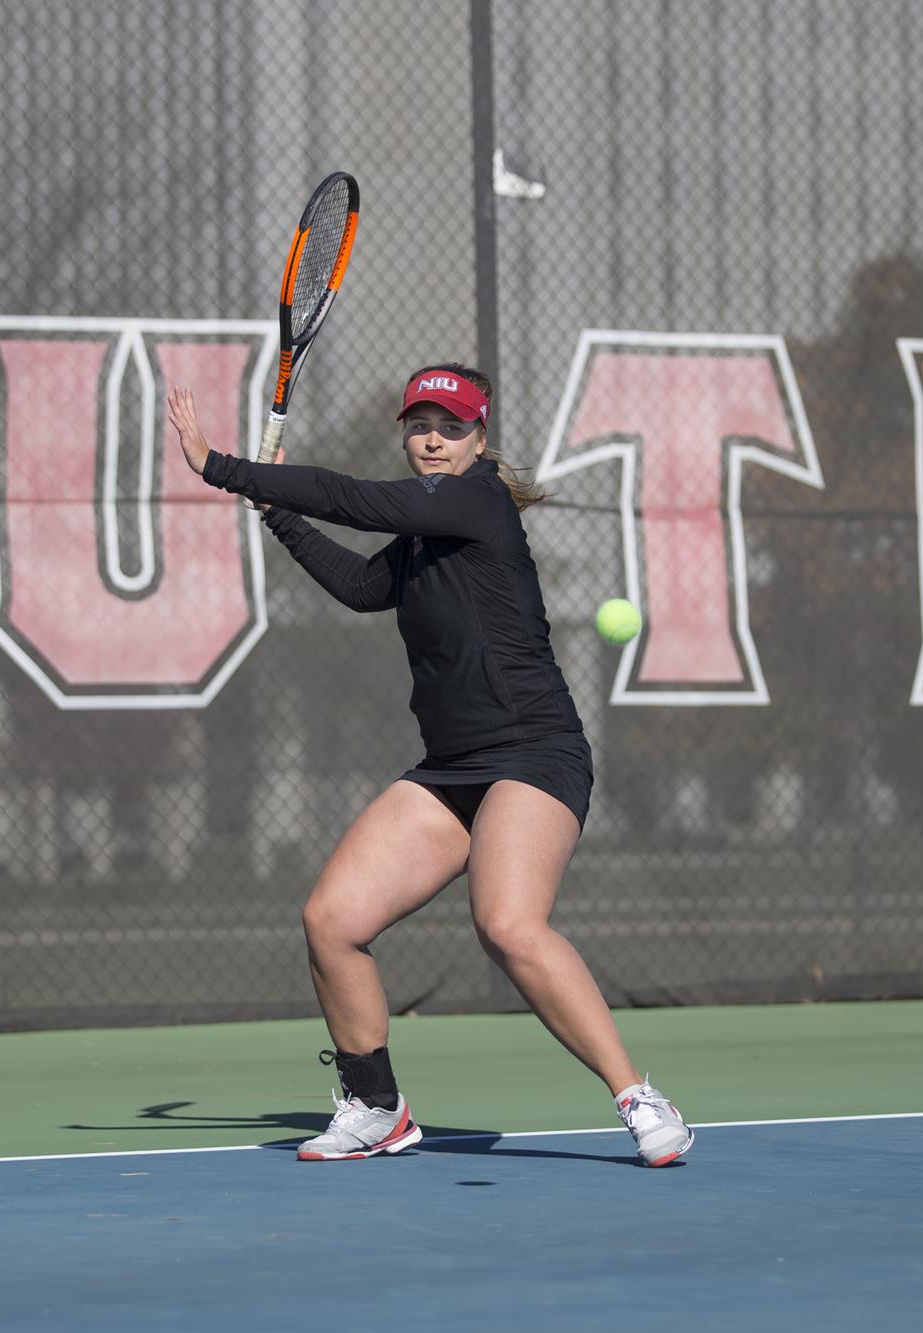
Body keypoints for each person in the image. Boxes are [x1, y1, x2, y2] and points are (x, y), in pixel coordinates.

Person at [166, 364, 693, 1167]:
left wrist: (224, 467)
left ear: (480, 440)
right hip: (452, 766)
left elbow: (350, 496)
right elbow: (361, 585)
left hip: (534, 751)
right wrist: (276, 513)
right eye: (419, 424)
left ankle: (638, 1096)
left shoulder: (475, 501)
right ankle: (377, 1107)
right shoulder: (420, 538)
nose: (433, 438)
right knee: (332, 921)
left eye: (450, 425)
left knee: (509, 925)